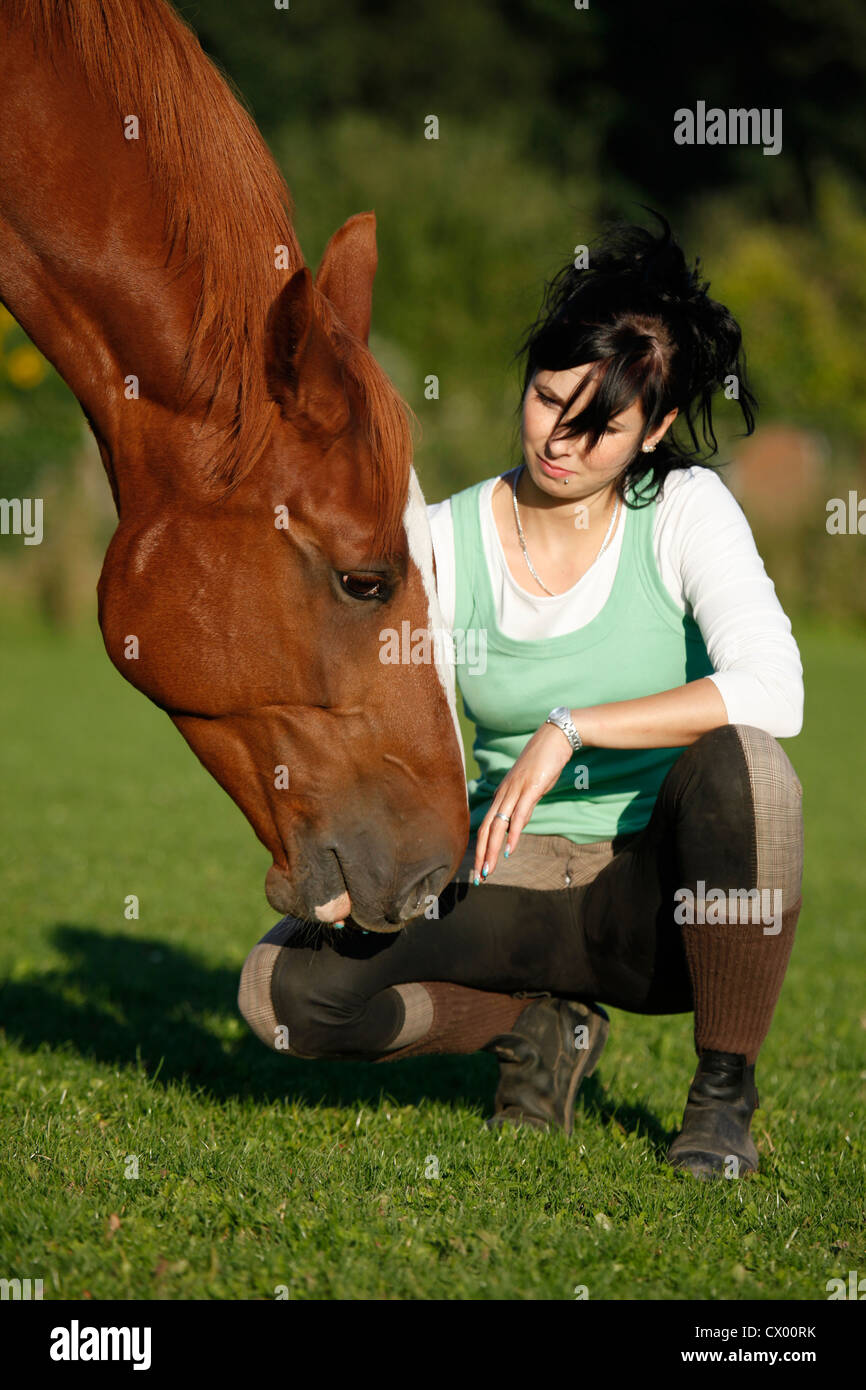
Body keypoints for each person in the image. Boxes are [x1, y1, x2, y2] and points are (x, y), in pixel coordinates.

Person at [238, 213, 804, 1180]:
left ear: (655, 429)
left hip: (655, 906)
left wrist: (570, 729)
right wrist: (334, 843)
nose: (560, 443)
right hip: (501, 881)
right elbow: (367, 707)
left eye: (601, 428)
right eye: (548, 400)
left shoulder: (685, 511)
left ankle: (721, 1096)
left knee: (749, 765)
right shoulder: (445, 540)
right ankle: (533, 1028)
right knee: (279, 996)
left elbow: (774, 688)